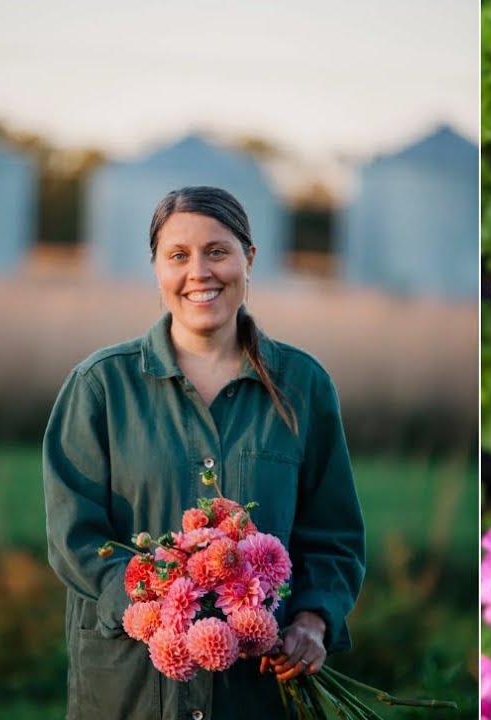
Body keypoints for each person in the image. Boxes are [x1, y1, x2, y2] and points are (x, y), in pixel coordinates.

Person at [43, 185, 366, 719]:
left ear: (249, 258)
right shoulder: (100, 386)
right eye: (178, 256)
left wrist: (312, 622)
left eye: (217, 251)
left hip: (257, 690)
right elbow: (72, 537)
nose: (200, 272)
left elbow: (332, 536)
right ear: (157, 269)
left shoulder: (303, 385)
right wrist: (159, 608)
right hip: (132, 689)